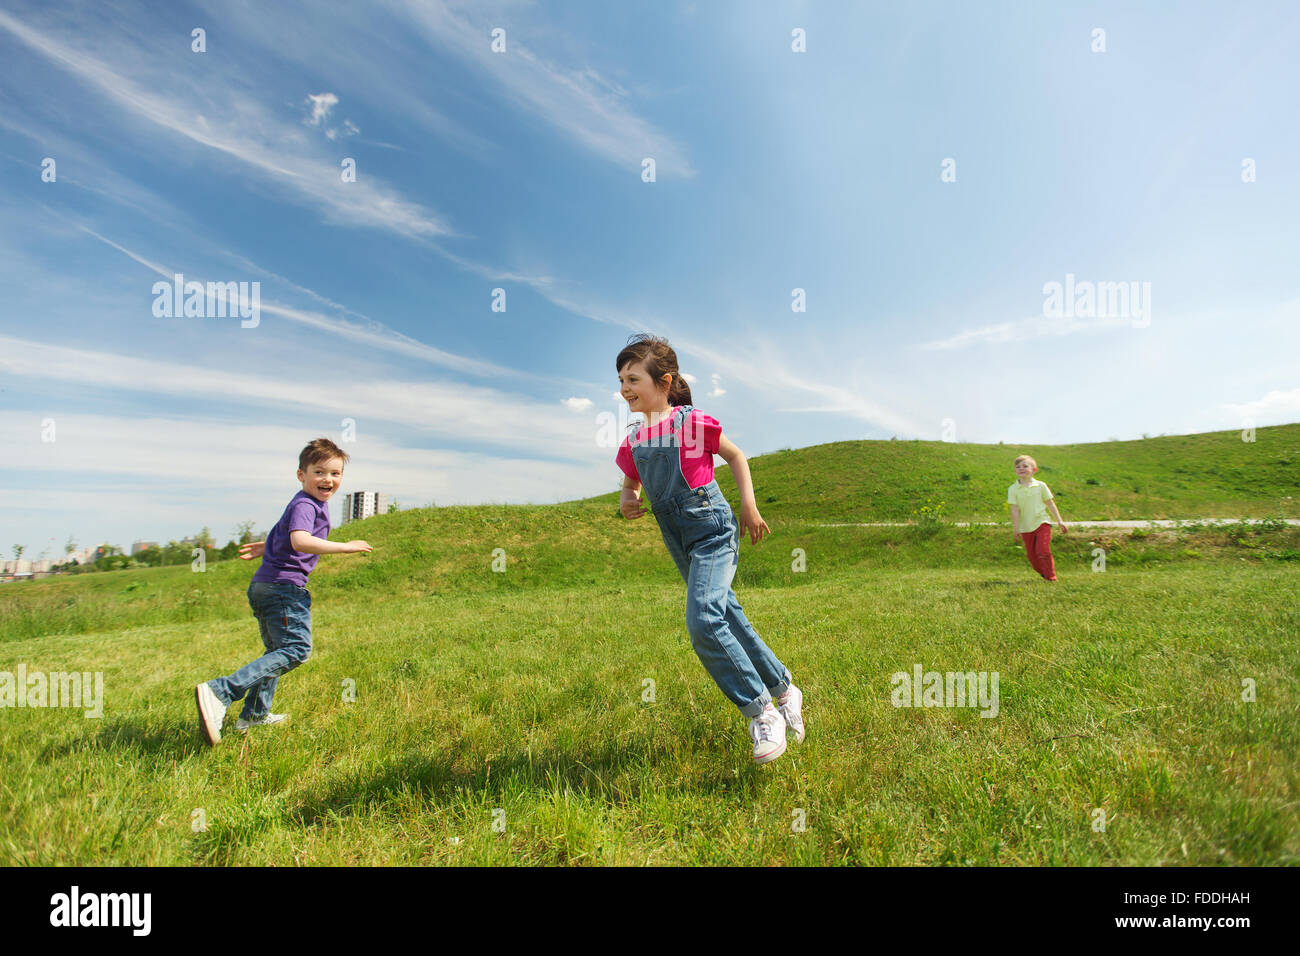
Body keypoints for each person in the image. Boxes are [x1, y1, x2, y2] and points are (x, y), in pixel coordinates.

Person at [614, 333, 804, 764]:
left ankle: (761, 712)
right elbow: (631, 481)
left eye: (633, 379)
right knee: (727, 615)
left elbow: (736, 457)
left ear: (663, 382)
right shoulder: (634, 439)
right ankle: (785, 687)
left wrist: (748, 508)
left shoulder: (691, 422)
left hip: (713, 529)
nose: (624, 389)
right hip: (677, 538)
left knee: (703, 620)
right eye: (621, 380)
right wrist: (628, 498)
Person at [194, 438, 372, 745]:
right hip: (283, 589)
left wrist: (267, 547)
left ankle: (254, 715)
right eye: (319, 472)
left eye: (335, 473)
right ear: (301, 474)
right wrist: (345, 547)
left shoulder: (305, 503)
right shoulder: (306, 504)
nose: (327, 480)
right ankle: (221, 691)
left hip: (267, 585)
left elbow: (286, 535)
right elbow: (300, 540)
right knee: (296, 650)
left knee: (276, 652)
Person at [1007, 454, 1069, 582]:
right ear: (1015, 470)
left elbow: (1050, 503)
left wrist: (1059, 521)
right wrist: (1016, 528)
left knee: (1043, 550)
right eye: (1018, 467)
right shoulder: (1013, 489)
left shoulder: (1041, 486)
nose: (1021, 468)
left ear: (1034, 469)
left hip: (1042, 522)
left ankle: (1051, 577)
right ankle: (1044, 573)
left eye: (1025, 466)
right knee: (1032, 557)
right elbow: (1014, 509)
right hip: (1025, 527)